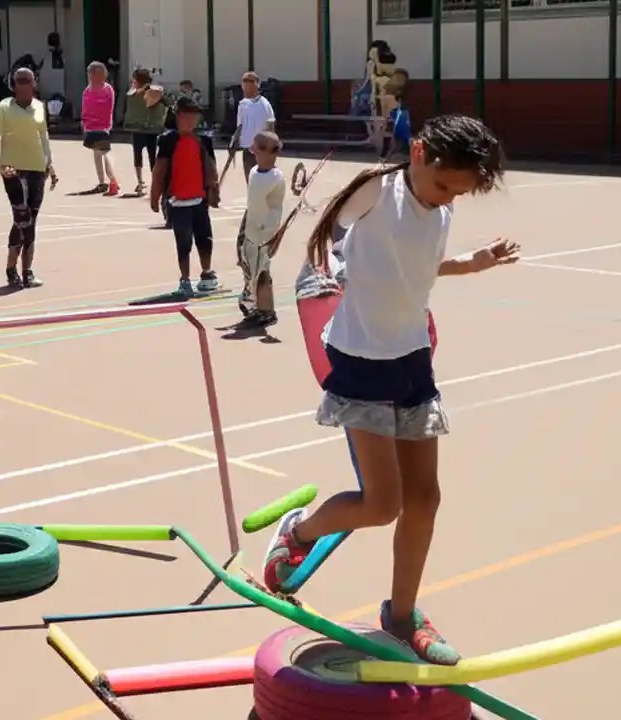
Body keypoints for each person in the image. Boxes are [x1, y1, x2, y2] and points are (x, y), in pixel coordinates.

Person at [262, 114, 517, 666]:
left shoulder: (439, 208)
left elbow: (415, 266)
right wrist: (326, 267)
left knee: (425, 498)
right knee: (382, 505)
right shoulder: (378, 189)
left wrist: (469, 264)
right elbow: (329, 230)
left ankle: (401, 616)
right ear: (420, 152)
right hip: (360, 363)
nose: (449, 198)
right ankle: (300, 533)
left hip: (411, 364)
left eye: (460, 193)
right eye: (445, 184)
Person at [149, 96, 220, 297]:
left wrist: (214, 191)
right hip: (178, 201)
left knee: (205, 238)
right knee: (183, 242)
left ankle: (207, 274)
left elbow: (211, 169)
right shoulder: (167, 140)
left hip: (200, 200)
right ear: (177, 117)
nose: (190, 122)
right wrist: (155, 195)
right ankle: (185, 279)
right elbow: (159, 170)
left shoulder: (203, 140)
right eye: (186, 117)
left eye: (194, 117)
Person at [0, 66, 53, 289]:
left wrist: (50, 163)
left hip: (37, 167)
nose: (25, 84)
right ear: (13, 84)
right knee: (22, 217)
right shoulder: (4, 107)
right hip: (13, 168)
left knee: (32, 220)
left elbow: (44, 136)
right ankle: (11, 269)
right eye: (20, 80)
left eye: (28, 80)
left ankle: (27, 271)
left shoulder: (39, 106)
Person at [233, 131, 286, 327]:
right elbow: (253, 205)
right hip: (251, 228)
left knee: (260, 272)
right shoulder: (256, 171)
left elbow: (268, 210)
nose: (253, 150)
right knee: (254, 270)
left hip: (263, 233)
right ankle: (260, 308)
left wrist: (263, 232)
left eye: (256, 147)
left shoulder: (273, 177)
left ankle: (263, 310)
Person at [123, 68, 168, 196]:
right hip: (140, 129)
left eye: (134, 80)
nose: (133, 82)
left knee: (150, 156)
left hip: (149, 129)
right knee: (141, 156)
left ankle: (154, 182)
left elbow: (160, 102)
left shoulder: (152, 92)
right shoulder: (134, 93)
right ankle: (141, 182)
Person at [81, 61, 119, 196]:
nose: (90, 77)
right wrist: (85, 123)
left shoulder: (105, 89)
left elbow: (108, 107)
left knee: (104, 153)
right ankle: (102, 181)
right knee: (98, 154)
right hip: (93, 127)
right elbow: (85, 109)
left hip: (101, 127)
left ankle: (113, 181)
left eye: (92, 74)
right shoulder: (89, 90)